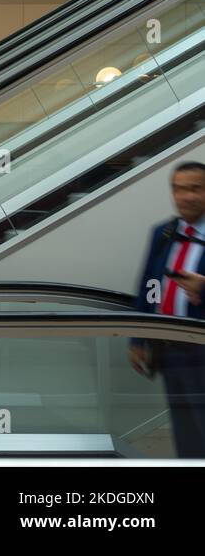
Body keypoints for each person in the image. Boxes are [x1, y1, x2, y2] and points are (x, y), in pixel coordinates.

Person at [130, 161, 205, 457]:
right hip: (170, 351)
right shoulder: (163, 232)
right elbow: (147, 286)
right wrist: (138, 339)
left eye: (195, 189)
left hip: (202, 349)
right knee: (185, 433)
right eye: (178, 189)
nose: (185, 196)